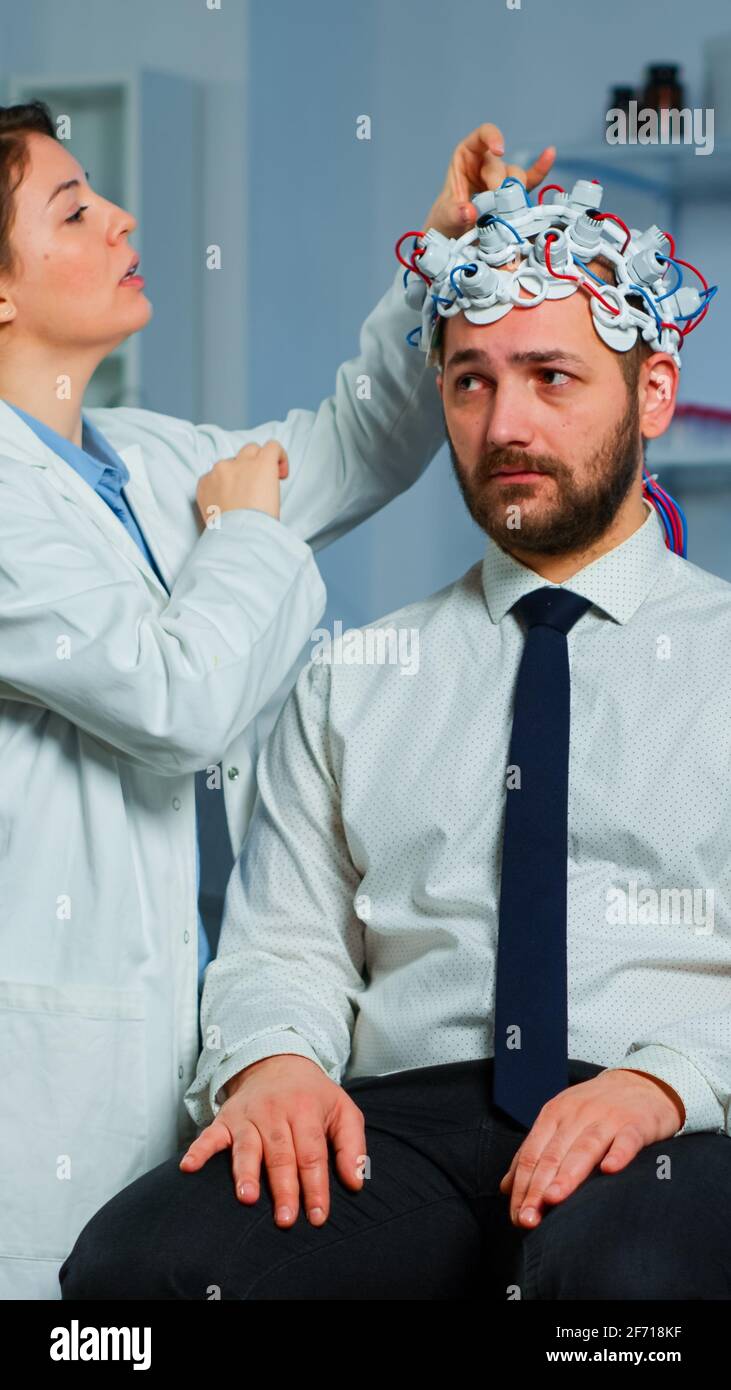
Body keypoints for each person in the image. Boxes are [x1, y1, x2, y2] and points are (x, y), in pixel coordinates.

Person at [59, 173, 731, 1306]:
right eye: (469, 381)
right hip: (400, 1117)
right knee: (149, 1273)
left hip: (664, 1099)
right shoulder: (351, 678)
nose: (503, 423)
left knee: (628, 1283)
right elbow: (282, 945)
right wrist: (273, 1060)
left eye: (550, 377)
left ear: (652, 392)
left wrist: (667, 1082)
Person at [0, 99, 557, 1301]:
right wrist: (246, 532)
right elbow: (174, 699)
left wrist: (435, 259)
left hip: (198, 1010)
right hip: (50, 1046)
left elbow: (353, 444)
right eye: (74, 207)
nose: (120, 217)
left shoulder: (141, 458)